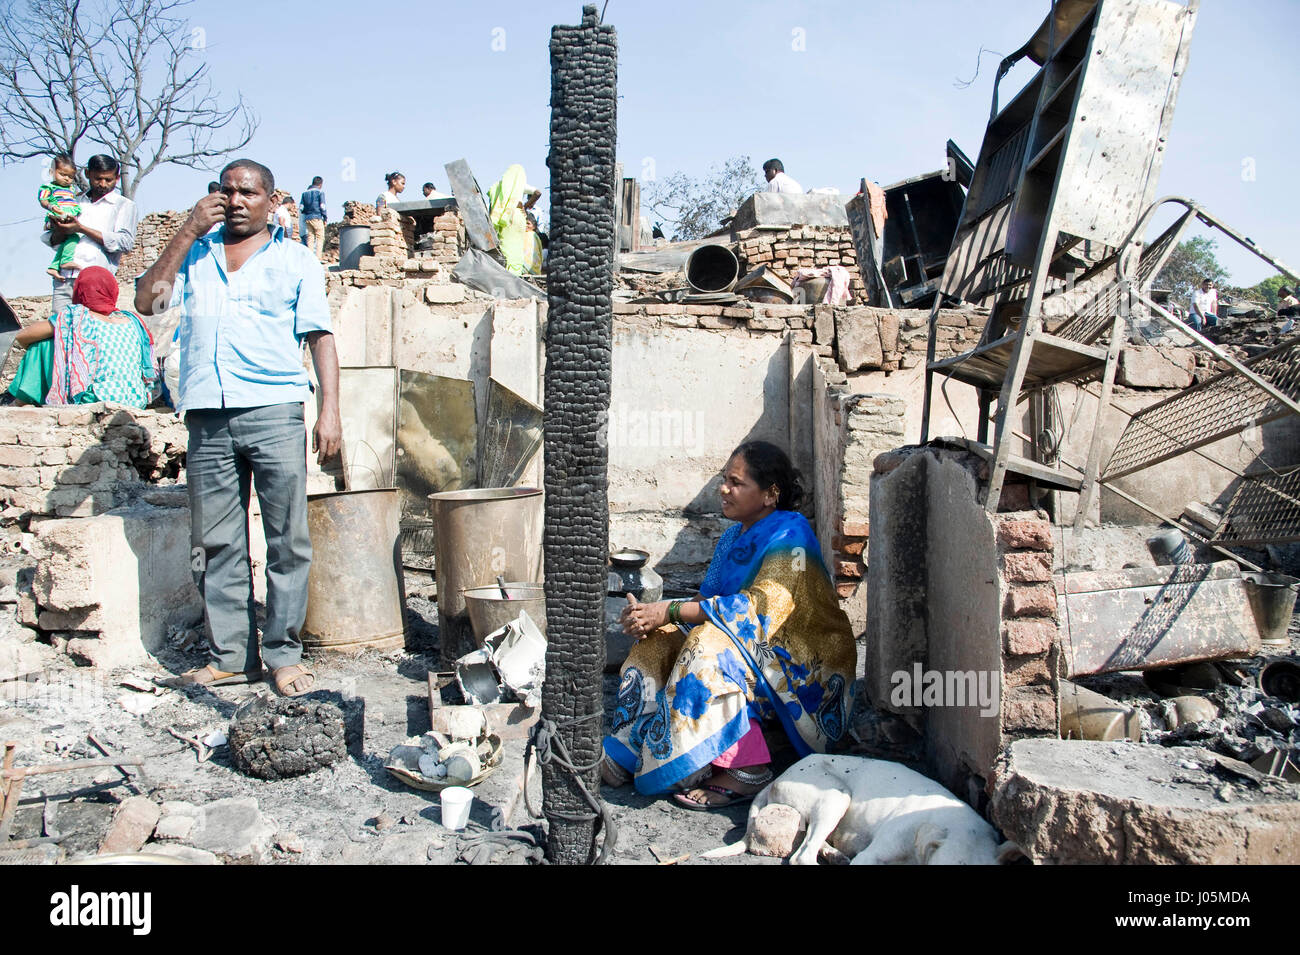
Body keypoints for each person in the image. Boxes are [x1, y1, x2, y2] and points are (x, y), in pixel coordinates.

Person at [134, 158, 341, 698]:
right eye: (227, 190)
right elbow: (145, 302)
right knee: (217, 541)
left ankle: (283, 655)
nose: (236, 199)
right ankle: (231, 656)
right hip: (207, 414)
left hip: (273, 409)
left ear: (272, 201)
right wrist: (185, 232)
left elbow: (320, 338)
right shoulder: (196, 257)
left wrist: (331, 411)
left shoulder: (295, 259)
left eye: (248, 191)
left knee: (286, 540)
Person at [602, 441, 856, 808]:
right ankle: (630, 748)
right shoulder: (731, 537)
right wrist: (652, 615)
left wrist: (670, 611)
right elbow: (707, 600)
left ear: (770, 494)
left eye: (736, 483)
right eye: (724, 479)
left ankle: (746, 767)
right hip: (750, 640)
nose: (724, 489)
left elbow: (757, 611)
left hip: (803, 657)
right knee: (660, 640)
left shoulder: (791, 537)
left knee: (708, 645)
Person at [7, 266, 156, 408]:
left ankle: (22, 399)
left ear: (79, 290)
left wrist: (61, 348)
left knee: (43, 344)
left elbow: (23, 336)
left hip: (94, 397)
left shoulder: (76, 317)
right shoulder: (132, 320)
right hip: (136, 398)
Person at [44, 154, 138, 320]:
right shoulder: (73, 201)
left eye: (108, 180)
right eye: (98, 179)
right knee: (60, 331)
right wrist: (61, 229)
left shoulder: (124, 205)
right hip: (64, 279)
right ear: (87, 174)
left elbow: (125, 242)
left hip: (97, 284)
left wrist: (81, 228)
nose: (103, 184)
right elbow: (52, 241)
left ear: (117, 178)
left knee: (92, 332)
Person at [487, 165, 542, 275]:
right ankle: (516, 272)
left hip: (506, 217)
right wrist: (525, 206)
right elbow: (537, 192)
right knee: (517, 246)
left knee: (506, 245)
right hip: (519, 216)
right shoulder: (520, 184)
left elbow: (492, 205)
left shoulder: (499, 186)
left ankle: (507, 272)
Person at [38, 155, 82, 278]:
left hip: (69, 214)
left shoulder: (71, 188)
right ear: (52, 172)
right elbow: (43, 200)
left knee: (68, 239)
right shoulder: (49, 187)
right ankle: (65, 261)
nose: (67, 179)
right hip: (58, 214)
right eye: (63, 175)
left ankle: (53, 267)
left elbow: (73, 198)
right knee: (74, 236)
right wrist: (52, 207)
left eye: (70, 177)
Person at [300, 176, 327, 260]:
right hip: (317, 217)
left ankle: (310, 258)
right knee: (320, 237)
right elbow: (322, 206)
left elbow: (301, 207)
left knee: (310, 237)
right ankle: (318, 258)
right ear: (320, 184)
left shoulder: (304, 193)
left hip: (308, 218)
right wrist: (325, 217)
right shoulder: (320, 192)